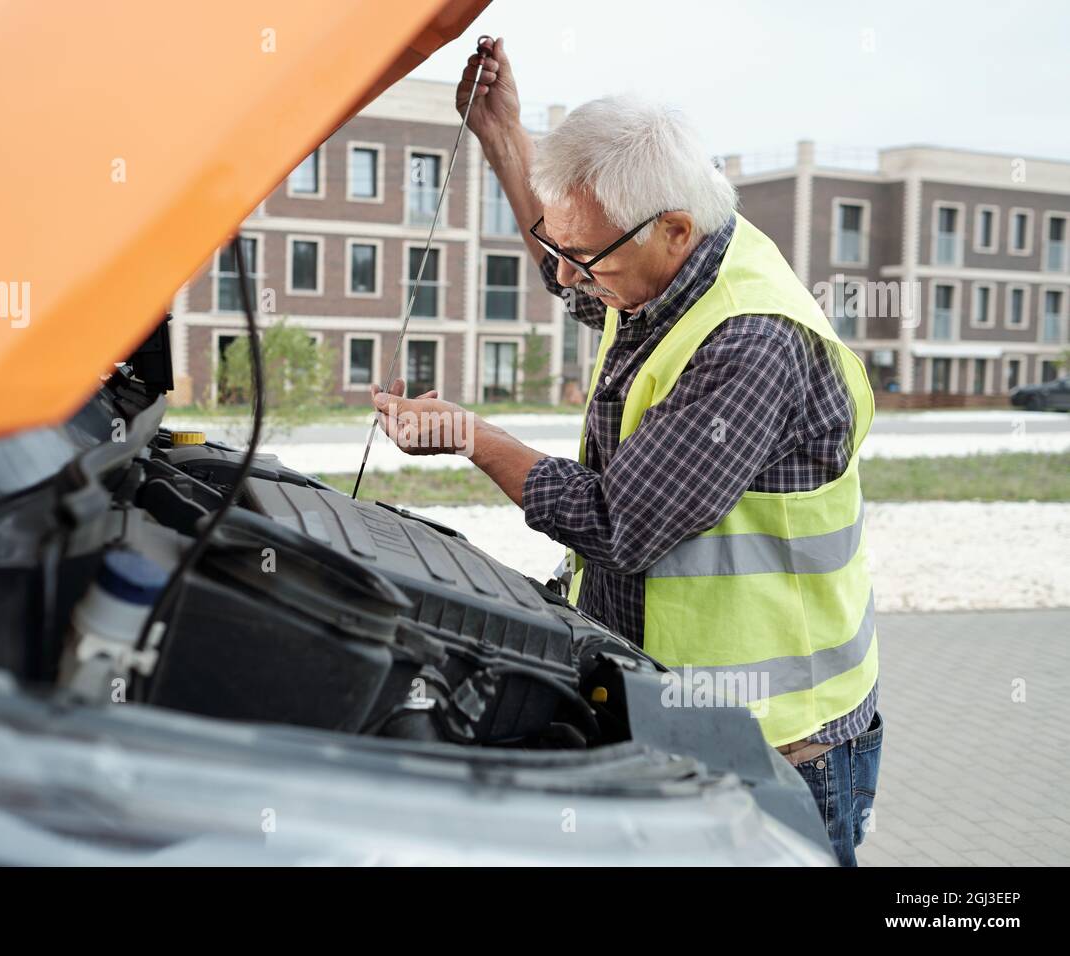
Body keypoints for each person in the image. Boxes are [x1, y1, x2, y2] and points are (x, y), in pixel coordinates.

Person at [369, 38, 883, 865]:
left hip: (779, 747)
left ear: (672, 230)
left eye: (586, 259)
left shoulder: (749, 341)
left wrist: (474, 436)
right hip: (682, 712)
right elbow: (575, 265)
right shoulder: (666, 266)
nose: (569, 279)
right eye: (565, 254)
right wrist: (505, 140)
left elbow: (620, 523)